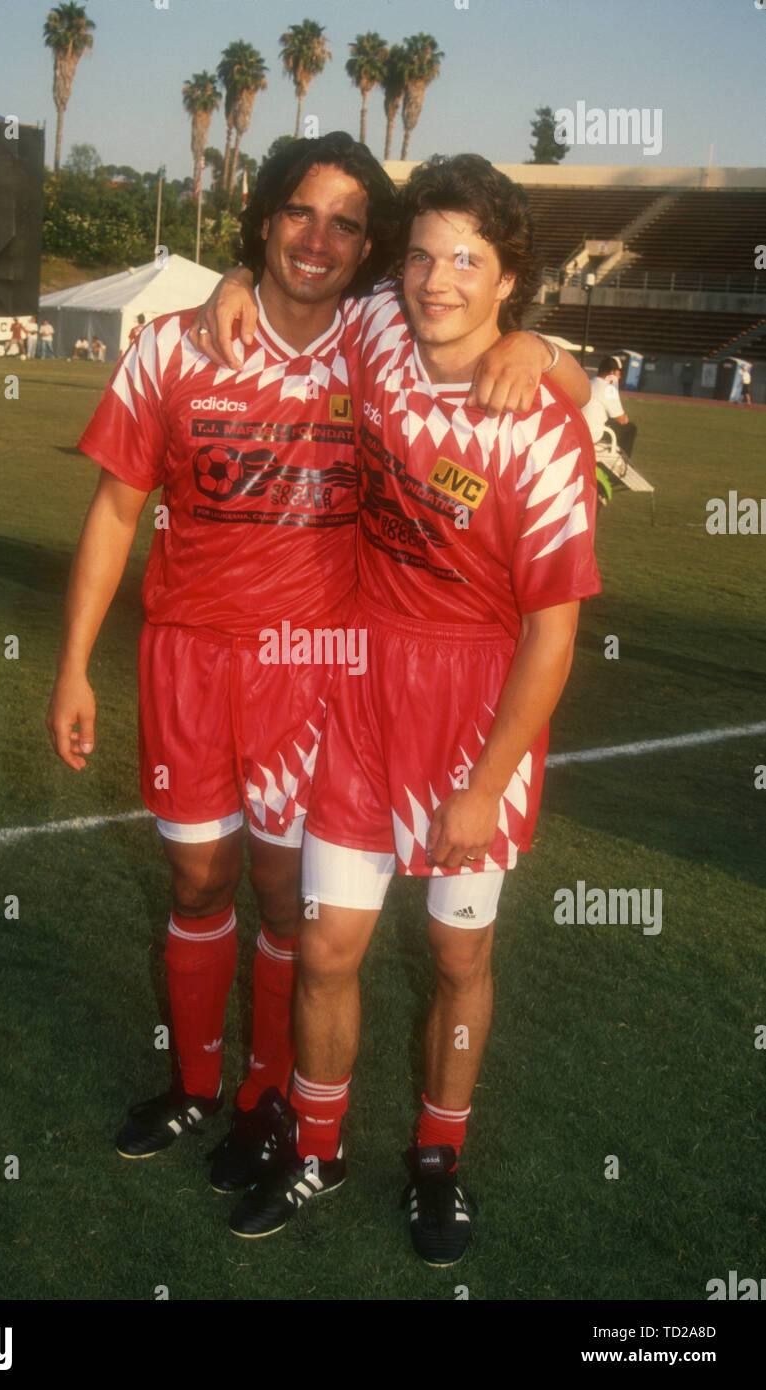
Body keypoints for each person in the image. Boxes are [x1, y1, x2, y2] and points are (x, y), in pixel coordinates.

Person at [46, 134, 589, 1205]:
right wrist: (71, 666)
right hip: (197, 659)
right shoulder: (205, 341)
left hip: (327, 670)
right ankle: (203, 1086)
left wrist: (546, 352)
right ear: (260, 220)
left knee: (304, 908)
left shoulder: (391, 337)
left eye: (348, 224)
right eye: (299, 215)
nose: (319, 239)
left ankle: (281, 1104)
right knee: (205, 879)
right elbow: (115, 506)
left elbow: (507, 345)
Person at [214, 154, 601, 1267]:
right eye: (422, 254)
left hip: (474, 717)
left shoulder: (538, 430)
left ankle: (437, 1160)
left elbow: (552, 633)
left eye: (464, 262)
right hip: (360, 690)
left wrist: (481, 788)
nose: (434, 281)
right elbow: (300, 288)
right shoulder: (379, 325)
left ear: (506, 280)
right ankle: (320, 1145)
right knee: (327, 946)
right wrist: (233, 279)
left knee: (454, 954)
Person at [583, 355, 637, 456]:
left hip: (578, 431)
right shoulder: (608, 389)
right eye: (618, 374)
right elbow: (622, 420)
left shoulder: (588, 383)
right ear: (611, 373)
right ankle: (623, 461)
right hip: (594, 434)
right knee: (630, 428)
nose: (619, 377)